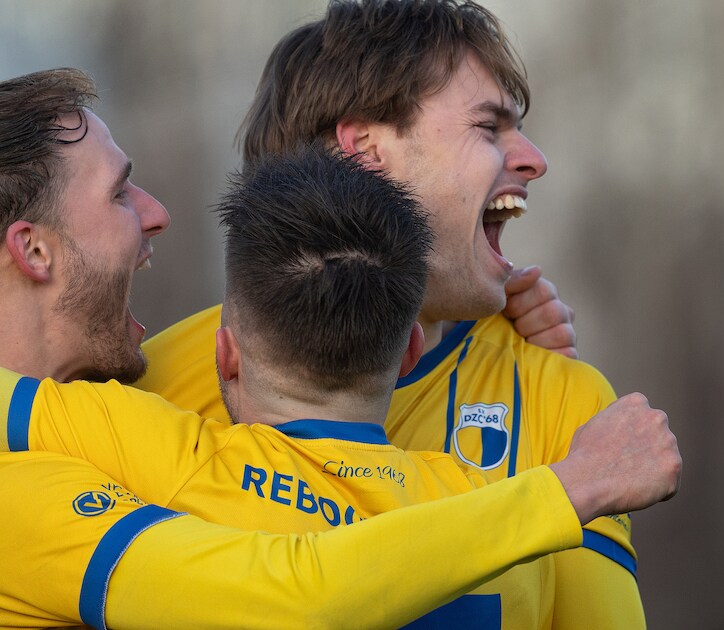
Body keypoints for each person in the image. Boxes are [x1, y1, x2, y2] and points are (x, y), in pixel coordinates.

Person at [0, 67, 680, 629]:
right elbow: (296, 594)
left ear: (225, 354)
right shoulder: (505, 521)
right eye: (119, 193)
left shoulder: (144, 440)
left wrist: (483, 317)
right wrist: (570, 485)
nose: (157, 212)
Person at [138, 2, 649, 626]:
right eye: (488, 128)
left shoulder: (562, 404)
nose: (534, 160)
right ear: (366, 150)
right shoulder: (152, 386)